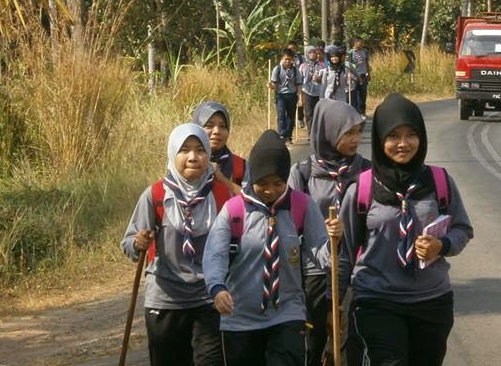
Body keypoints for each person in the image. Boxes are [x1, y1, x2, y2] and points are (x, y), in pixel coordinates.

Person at [339, 94, 473, 366]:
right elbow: (345, 252)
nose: (403, 144)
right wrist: (335, 302)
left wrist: (442, 246)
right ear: (379, 140)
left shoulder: (439, 181)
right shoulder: (362, 189)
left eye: (411, 134)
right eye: (393, 136)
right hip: (376, 301)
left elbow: (462, 228)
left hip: (432, 302)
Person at [203, 130, 343, 366]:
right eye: (262, 183)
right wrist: (217, 288)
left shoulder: (302, 206)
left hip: (287, 313)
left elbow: (322, 255)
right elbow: (215, 254)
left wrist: (334, 242)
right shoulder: (234, 210)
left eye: (278, 183)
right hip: (240, 318)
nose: (270, 190)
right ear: (252, 178)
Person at [121, 123, 229, 366]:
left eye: (200, 150)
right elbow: (128, 244)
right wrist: (139, 242)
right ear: (173, 154)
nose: (193, 157)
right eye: (185, 150)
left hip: (209, 299)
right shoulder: (156, 195)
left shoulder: (221, 196)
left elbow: (237, 245)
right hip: (166, 300)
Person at [288, 100, 368, 366]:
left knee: (347, 343)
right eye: (348, 133)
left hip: (356, 271)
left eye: (359, 131)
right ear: (328, 131)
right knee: (313, 343)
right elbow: (290, 224)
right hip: (314, 273)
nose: (356, 139)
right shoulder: (303, 173)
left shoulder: (366, 172)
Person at [192, 100, 247, 194]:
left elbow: (253, 201)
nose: (217, 131)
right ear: (197, 128)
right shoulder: (187, 163)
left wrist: (222, 179)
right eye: (209, 126)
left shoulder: (241, 167)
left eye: (222, 126)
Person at [270, 49, 303, 144]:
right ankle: (282, 135)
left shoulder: (296, 70)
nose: (287, 61)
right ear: (282, 59)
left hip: (292, 95)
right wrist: (271, 86)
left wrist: (300, 97)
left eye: (289, 59)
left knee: (291, 117)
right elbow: (274, 84)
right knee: (281, 116)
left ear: (292, 59)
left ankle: (288, 136)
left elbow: (299, 85)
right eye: (286, 59)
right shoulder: (277, 69)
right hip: (281, 95)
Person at [299, 45, 324, 130]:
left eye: (314, 52)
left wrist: (319, 78)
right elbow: (300, 80)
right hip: (307, 91)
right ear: (307, 54)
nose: (312, 54)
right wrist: (300, 95)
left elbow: (326, 78)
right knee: (309, 113)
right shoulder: (303, 66)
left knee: (318, 112)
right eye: (310, 53)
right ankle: (311, 131)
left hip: (318, 92)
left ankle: (317, 130)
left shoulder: (321, 65)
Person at [348, 37, 371, 116]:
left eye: (362, 42)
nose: (361, 44)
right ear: (354, 43)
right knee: (355, 94)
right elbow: (349, 65)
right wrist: (351, 75)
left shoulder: (365, 51)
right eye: (360, 42)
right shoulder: (350, 53)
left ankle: (362, 111)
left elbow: (367, 63)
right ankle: (356, 112)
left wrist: (369, 73)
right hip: (354, 76)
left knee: (363, 93)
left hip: (363, 75)